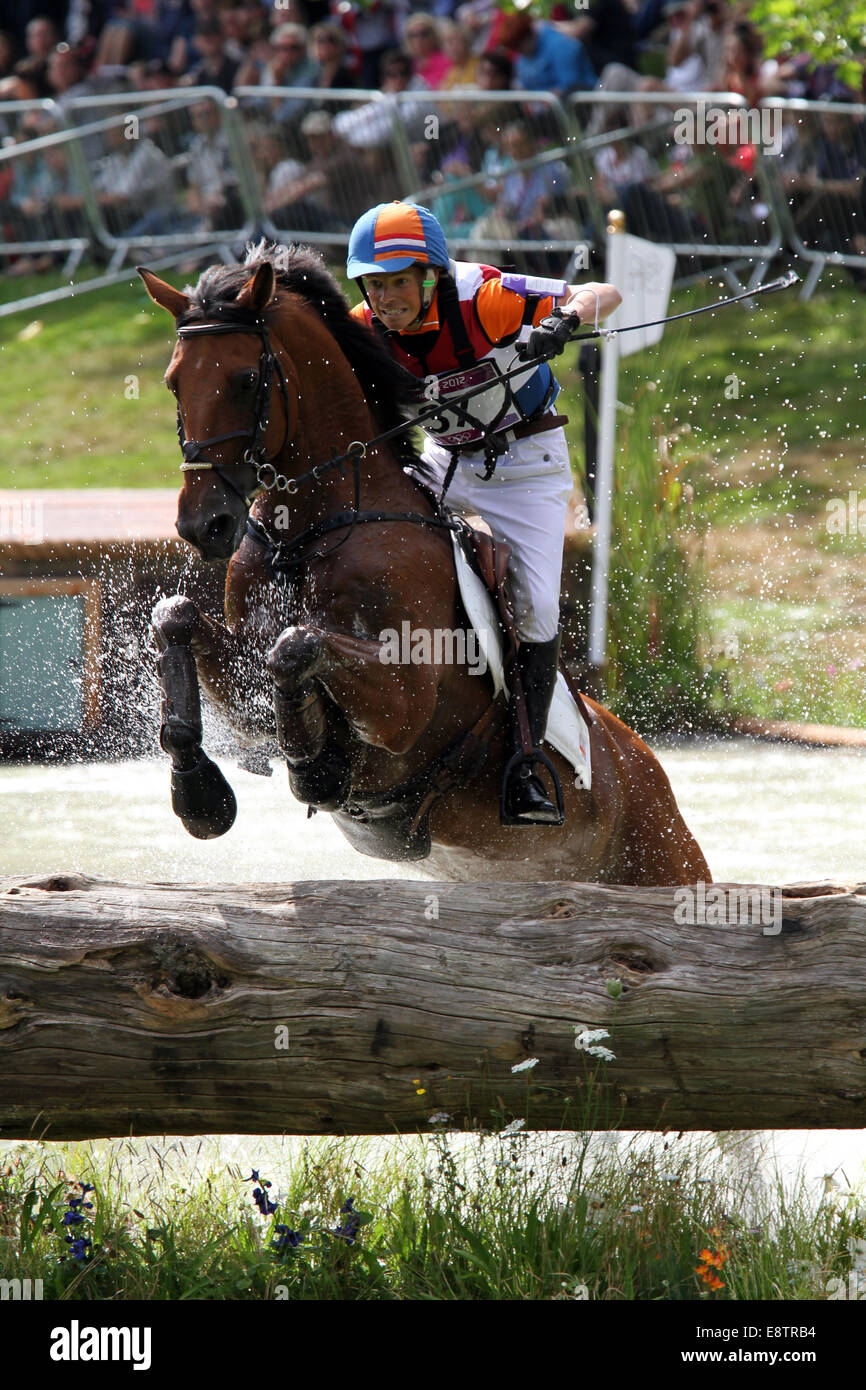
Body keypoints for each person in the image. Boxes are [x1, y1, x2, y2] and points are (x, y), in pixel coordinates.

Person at [346, 200, 621, 826]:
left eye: (397, 283)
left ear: (431, 276)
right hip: (444, 461)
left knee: (537, 608)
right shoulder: (364, 327)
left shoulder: (484, 301)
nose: (384, 299)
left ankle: (527, 764)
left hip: (526, 465)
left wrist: (563, 321)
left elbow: (603, 292)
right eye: (374, 285)